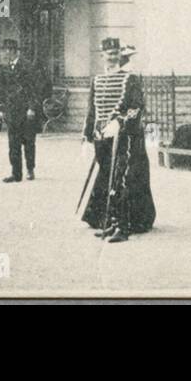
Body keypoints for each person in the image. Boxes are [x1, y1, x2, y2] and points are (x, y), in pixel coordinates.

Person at [81, 38, 156, 242]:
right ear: (102, 55)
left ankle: (123, 227)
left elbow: (137, 107)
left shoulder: (129, 79)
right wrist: (88, 135)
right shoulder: (96, 80)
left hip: (122, 137)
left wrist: (119, 123)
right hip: (101, 137)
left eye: (115, 53)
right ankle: (112, 222)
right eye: (108, 54)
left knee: (121, 179)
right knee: (107, 177)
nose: (112, 57)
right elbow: (92, 110)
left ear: (119, 55)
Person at [0, 39, 48, 183]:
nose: (5, 53)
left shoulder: (27, 67)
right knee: (13, 143)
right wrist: (1, 110)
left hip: (26, 112)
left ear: (13, 51)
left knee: (29, 142)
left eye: (7, 50)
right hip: (12, 111)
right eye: (4, 50)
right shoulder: (4, 68)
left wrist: (32, 107)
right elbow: (1, 91)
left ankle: (30, 169)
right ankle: (16, 173)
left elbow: (34, 89)